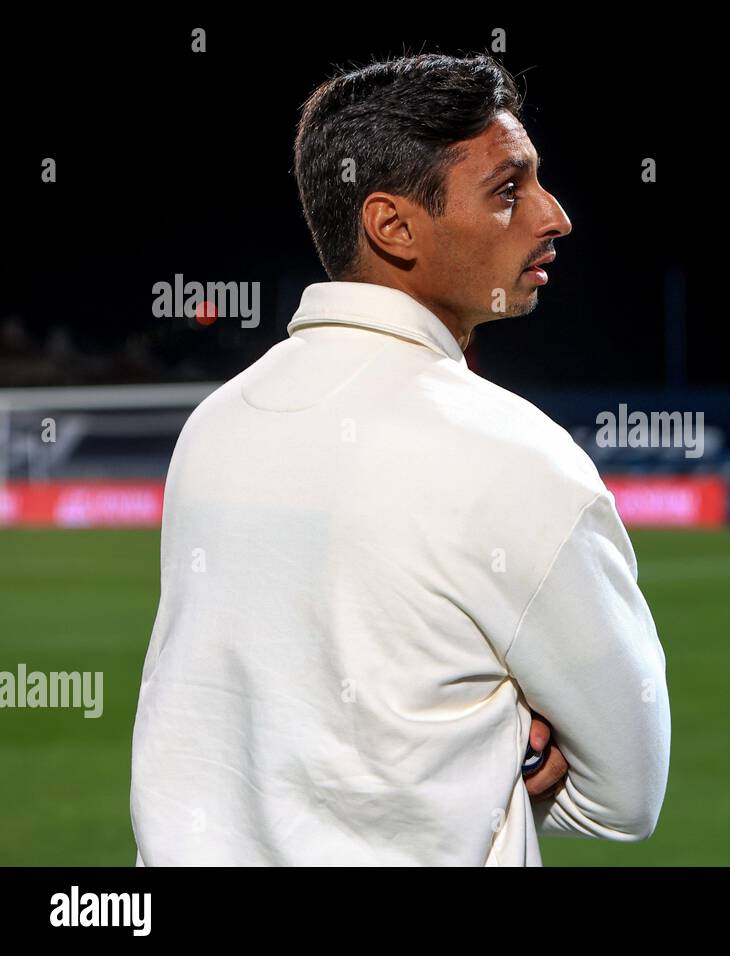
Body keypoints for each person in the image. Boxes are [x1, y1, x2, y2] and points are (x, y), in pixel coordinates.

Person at [129, 53, 670, 866]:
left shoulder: (213, 422)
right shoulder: (515, 454)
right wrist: (502, 756)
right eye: (508, 190)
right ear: (393, 227)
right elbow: (626, 798)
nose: (554, 216)